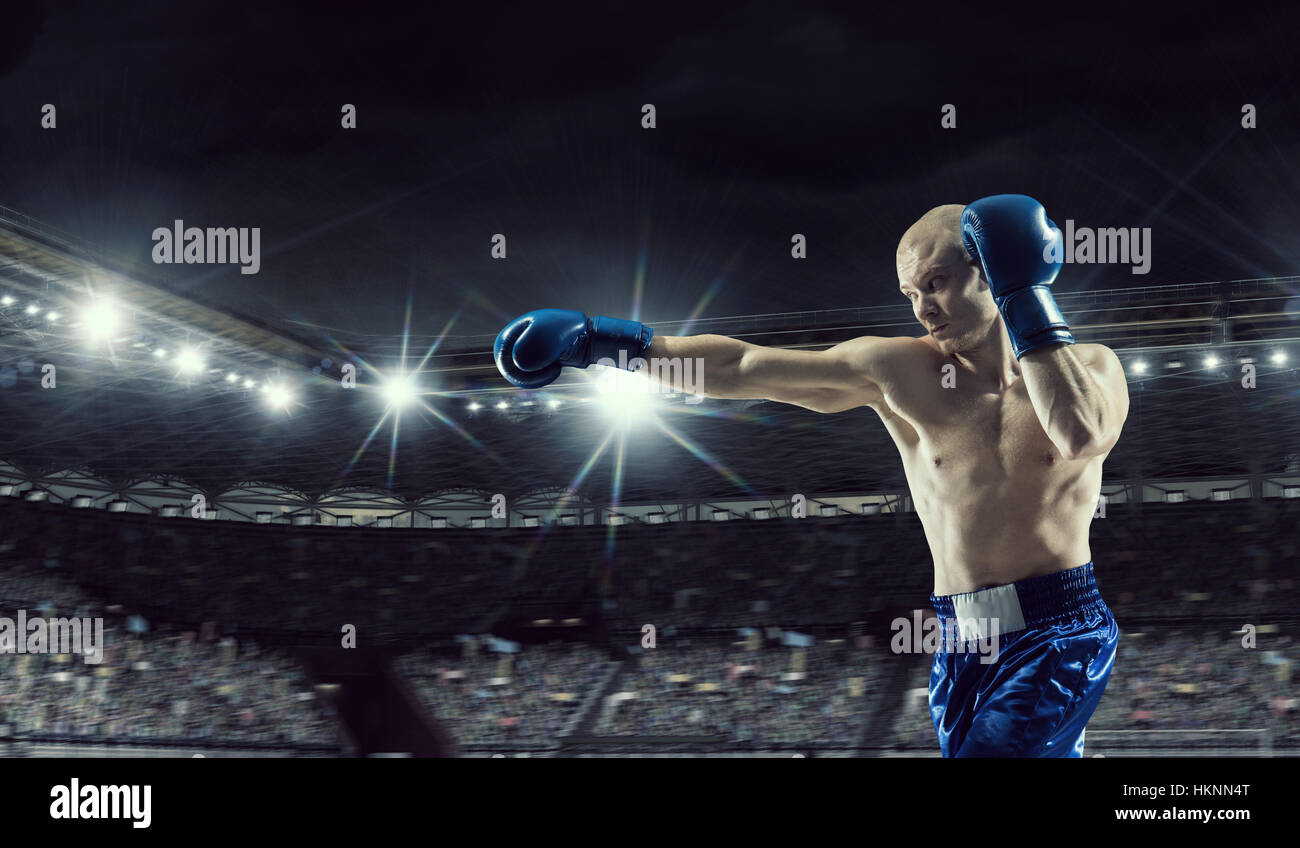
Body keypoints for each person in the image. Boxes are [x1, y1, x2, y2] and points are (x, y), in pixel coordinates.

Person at [494, 194, 1128, 757]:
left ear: (993, 270)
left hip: (1058, 624)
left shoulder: (1094, 368)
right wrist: (606, 345)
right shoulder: (897, 369)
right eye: (911, 294)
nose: (924, 310)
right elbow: (744, 367)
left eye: (937, 283)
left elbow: (1078, 434)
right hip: (962, 631)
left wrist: (1025, 296)